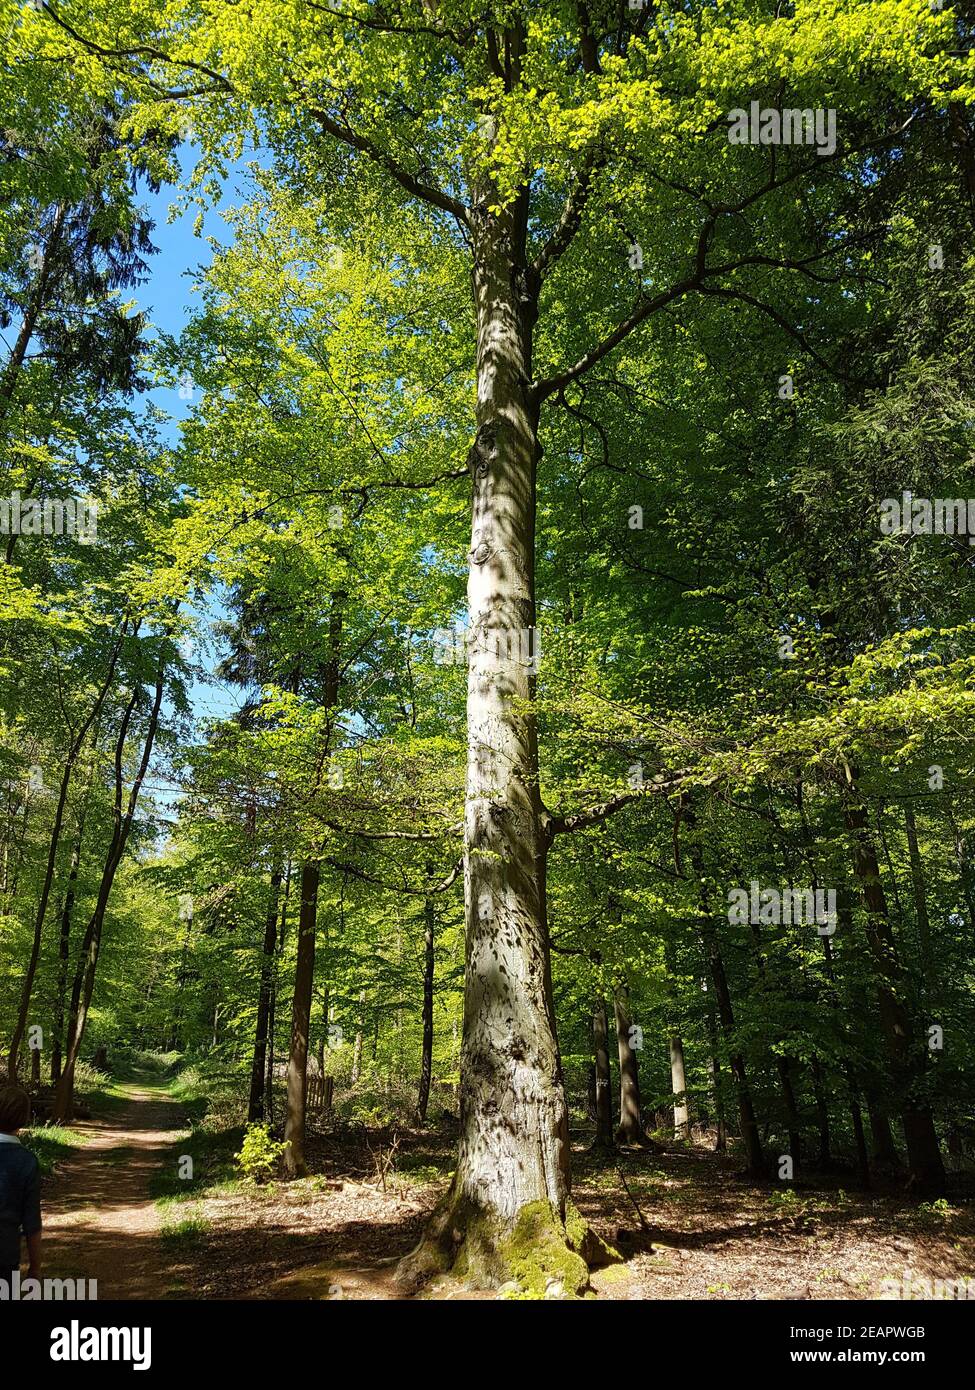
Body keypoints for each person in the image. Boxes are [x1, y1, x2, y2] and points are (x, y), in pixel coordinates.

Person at [0, 1084, 42, 1285]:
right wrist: (35, 1267)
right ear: (24, 1118)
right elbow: (32, 1222)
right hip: (5, 1255)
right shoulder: (27, 1162)